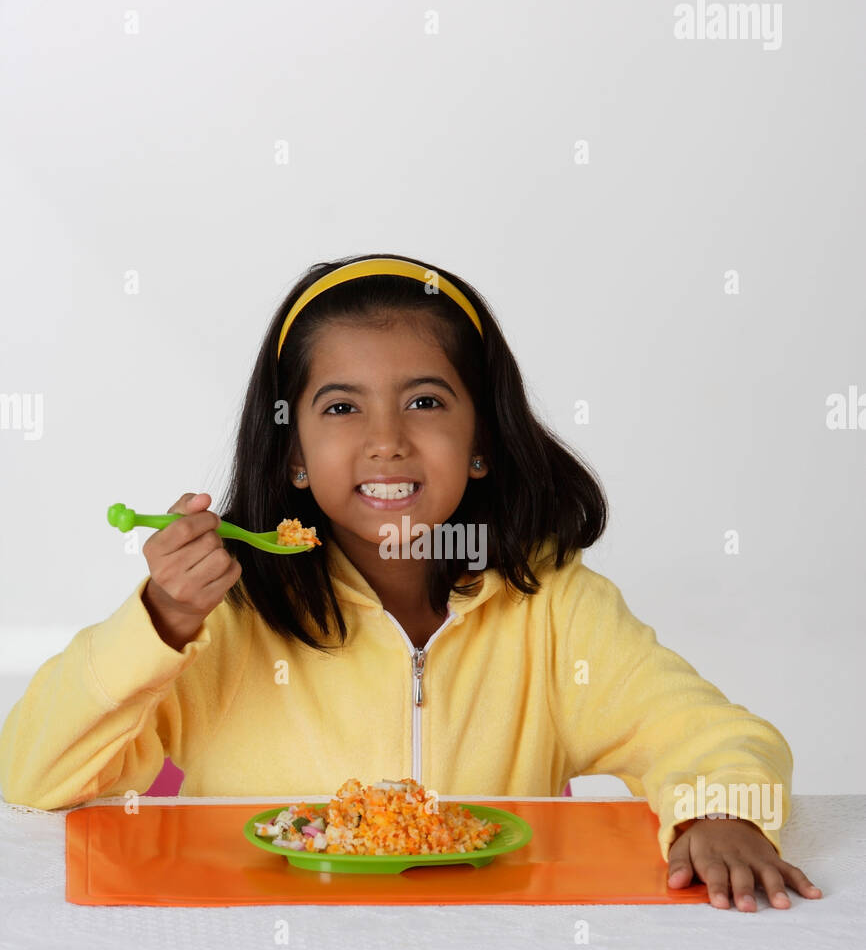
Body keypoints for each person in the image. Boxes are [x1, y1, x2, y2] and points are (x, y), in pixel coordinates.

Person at [0, 252, 822, 913]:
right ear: (291, 454)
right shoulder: (227, 613)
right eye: (341, 409)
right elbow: (33, 777)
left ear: (482, 443)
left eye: (425, 401)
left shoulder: (555, 607)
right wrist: (163, 620)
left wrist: (719, 812)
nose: (386, 442)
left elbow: (709, 734)